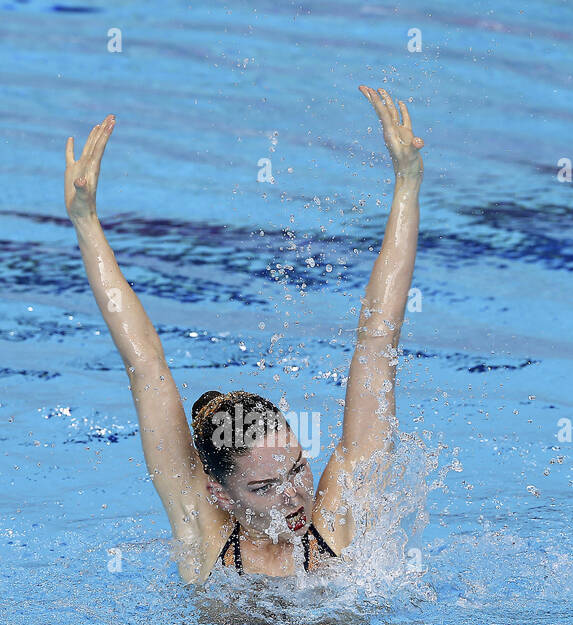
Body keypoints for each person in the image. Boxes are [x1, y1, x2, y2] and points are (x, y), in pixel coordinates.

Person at [65, 86, 423, 583]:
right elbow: (144, 361)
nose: (295, 495)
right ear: (219, 494)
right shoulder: (204, 538)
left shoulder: (337, 526)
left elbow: (377, 343)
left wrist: (407, 182)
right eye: (264, 487)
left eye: (297, 468)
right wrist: (85, 221)